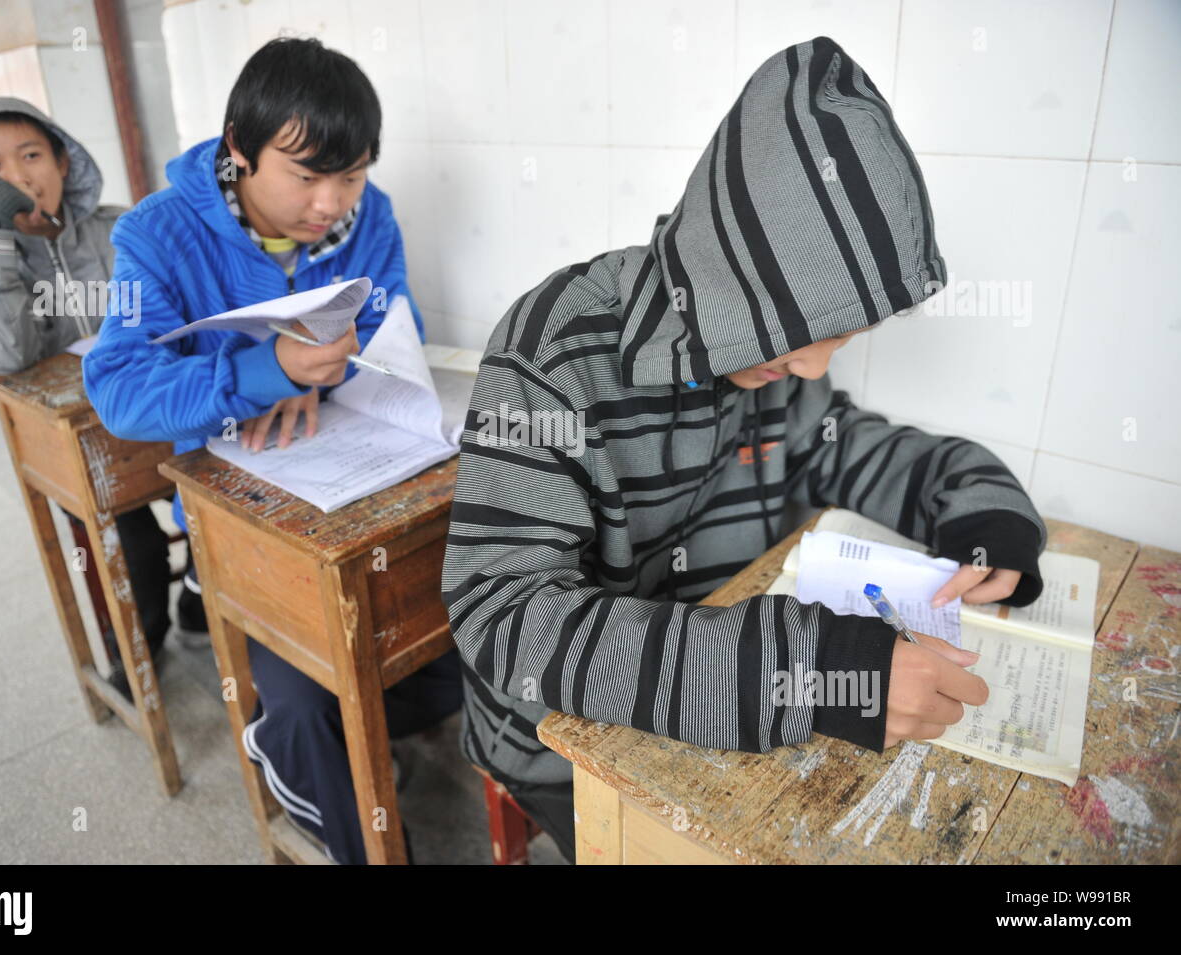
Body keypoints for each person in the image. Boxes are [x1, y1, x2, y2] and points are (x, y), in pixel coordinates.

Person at [441, 36, 1045, 863]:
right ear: (730, 268)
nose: (814, 366)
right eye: (802, 335)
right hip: (562, 730)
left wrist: (980, 505)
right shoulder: (549, 358)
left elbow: (850, 446)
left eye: (842, 338)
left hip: (720, 683)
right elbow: (504, 620)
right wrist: (812, 670)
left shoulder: (771, 361)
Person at [82, 37, 461, 865]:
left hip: (354, 480)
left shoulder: (373, 215)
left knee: (444, 648)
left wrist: (324, 367)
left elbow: (401, 326)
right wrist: (260, 371)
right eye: (306, 175)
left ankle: (348, 712)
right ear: (238, 152)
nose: (331, 203)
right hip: (242, 510)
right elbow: (117, 386)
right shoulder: (159, 233)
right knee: (302, 704)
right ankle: (331, 793)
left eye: (352, 174)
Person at [0, 96, 179, 697]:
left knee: (217, 500)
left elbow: (172, 310)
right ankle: (143, 648)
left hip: (154, 409)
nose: (17, 177)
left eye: (31, 155)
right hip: (76, 444)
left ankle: (203, 603)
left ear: (63, 162)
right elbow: (7, 353)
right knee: (133, 543)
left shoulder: (122, 227)